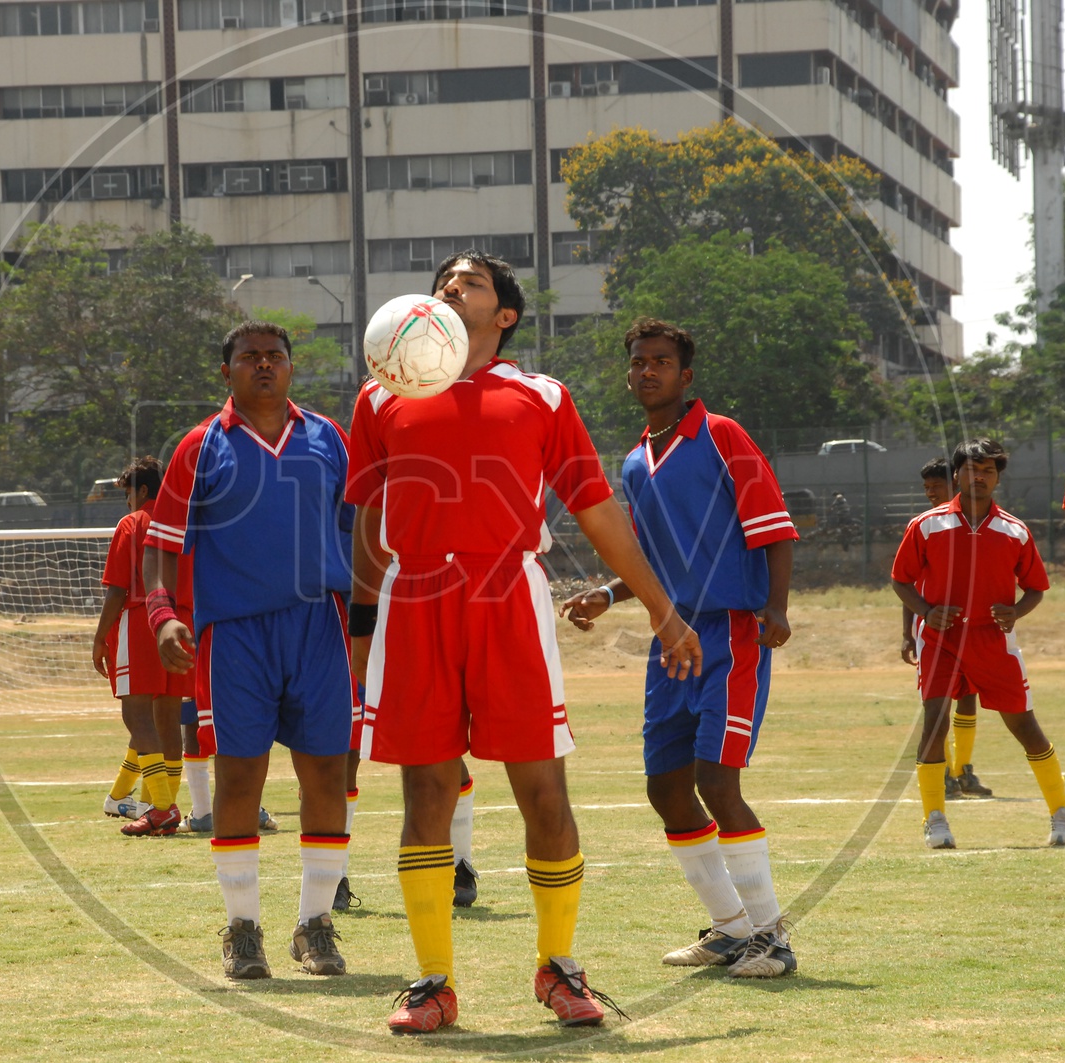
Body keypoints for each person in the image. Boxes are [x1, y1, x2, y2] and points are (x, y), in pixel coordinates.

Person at [346, 250, 702, 1033]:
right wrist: (360, 626)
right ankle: (434, 980)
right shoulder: (382, 396)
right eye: (444, 280)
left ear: (504, 314)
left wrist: (662, 609)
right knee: (427, 793)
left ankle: (559, 966)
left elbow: (598, 510)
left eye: (469, 282)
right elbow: (368, 525)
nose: (450, 287)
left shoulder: (542, 395)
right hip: (417, 601)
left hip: (510, 595)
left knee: (543, 791)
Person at [559, 318, 799, 978]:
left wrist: (776, 605)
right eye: (638, 362)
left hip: (731, 632)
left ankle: (772, 937)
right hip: (671, 643)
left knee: (718, 781)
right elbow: (643, 560)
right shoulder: (636, 461)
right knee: (666, 788)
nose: (647, 371)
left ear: (685, 375)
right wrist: (606, 596)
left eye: (661, 361)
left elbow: (774, 526)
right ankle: (728, 928)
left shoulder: (722, 435)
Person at [142, 321, 356, 979]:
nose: (263, 365)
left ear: (292, 367)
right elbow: (161, 544)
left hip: (319, 624)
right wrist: (161, 615)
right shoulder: (201, 445)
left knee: (326, 773)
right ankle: (242, 929)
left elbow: (361, 529)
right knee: (240, 775)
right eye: (248, 357)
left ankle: (315, 925)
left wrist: (375, 615)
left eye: (275, 356)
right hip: (234, 633)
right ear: (228, 370)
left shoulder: (328, 437)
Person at [889, 438, 1065, 851]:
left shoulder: (1014, 530)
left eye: (988, 470)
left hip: (995, 643)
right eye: (972, 469)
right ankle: (935, 820)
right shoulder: (927, 525)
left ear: (997, 477)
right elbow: (901, 578)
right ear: (957, 475)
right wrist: (925, 611)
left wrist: (1017, 612)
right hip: (941, 641)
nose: (980, 477)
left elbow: (1035, 588)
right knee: (935, 721)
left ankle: (1061, 814)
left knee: (1025, 727)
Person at [91, 456, 213, 837]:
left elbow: (117, 589)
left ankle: (162, 806)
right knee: (168, 719)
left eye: (128, 492)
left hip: (145, 621)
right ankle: (162, 807)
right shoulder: (186, 524)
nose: (126, 501)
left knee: (136, 716)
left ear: (142, 490)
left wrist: (100, 637)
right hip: (185, 624)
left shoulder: (132, 524)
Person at [902, 458, 990, 800]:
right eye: (926, 488)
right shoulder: (923, 526)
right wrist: (907, 632)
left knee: (969, 698)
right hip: (936, 633)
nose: (929, 493)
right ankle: (945, 775)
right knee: (939, 704)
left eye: (935, 486)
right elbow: (905, 582)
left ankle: (962, 770)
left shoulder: (979, 523)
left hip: (977, 630)